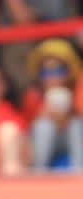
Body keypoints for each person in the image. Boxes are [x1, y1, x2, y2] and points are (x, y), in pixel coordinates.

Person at [21, 39, 83, 172]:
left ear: (69, 71)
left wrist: (69, 113)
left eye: (58, 71)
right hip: (43, 143)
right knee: (43, 126)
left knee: (76, 125)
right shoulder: (33, 94)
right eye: (45, 72)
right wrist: (41, 114)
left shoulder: (77, 88)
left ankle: (80, 170)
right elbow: (25, 127)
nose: (52, 77)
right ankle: (38, 171)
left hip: (71, 138)